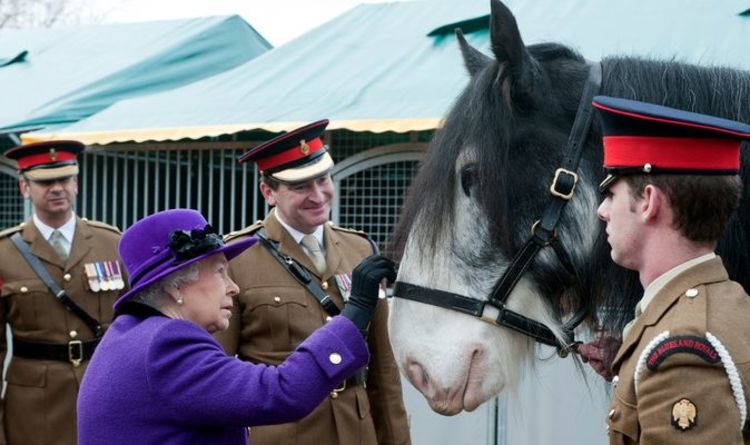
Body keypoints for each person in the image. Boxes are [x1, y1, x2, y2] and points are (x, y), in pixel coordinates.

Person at [77, 208, 394, 444]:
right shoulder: (168, 344)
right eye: (219, 272)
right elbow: (281, 392)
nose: (233, 287)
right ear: (175, 286)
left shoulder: (129, 333)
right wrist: (354, 313)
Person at [216, 119, 411, 445]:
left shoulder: (360, 249)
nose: (318, 195)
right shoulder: (236, 258)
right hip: (283, 434)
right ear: (268, 192)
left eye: (323, 179)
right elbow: (219, 376)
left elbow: (383, 372)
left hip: (356, 433)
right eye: (301, 186)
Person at [591, 96, 750, 444]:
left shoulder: (682, 352)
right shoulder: (727, 304)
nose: (602, 210)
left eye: (611, 193)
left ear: (648, 202)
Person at [0, 140, 125, 445]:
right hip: (34, 405)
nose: (57, 188)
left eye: (64, 179)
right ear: (24, 188)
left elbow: (136, 321)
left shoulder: (112, 243)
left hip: (104, 389)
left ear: (76, 184)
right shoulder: (4, 254)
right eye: (44, 181)